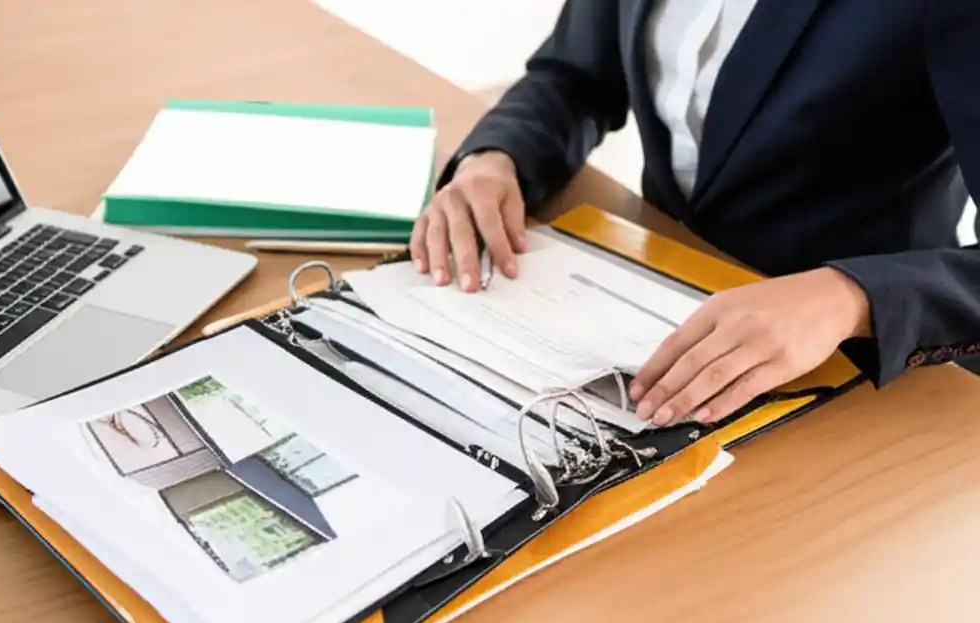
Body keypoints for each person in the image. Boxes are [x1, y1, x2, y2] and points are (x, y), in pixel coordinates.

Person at [411, 0, 980, 427]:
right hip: (646, 305)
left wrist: (852, 297)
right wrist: (496, 157)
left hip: (853, 377)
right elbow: (576, 77)